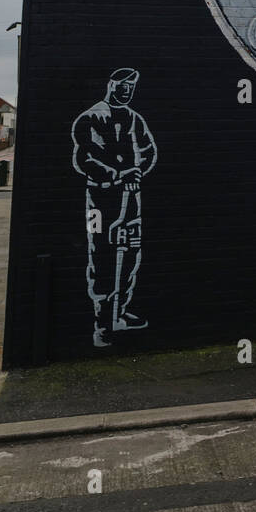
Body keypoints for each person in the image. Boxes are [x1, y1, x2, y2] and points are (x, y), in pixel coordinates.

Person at [72, 68, 157, 347]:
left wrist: (137, 172)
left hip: (131, 199)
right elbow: (84, 159)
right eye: (122, 86)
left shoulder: (134, 118)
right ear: (111, 85)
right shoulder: (91, 117)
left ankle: (120, 312)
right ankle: (102, 322)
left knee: (131, 252)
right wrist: (117, 175)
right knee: (103, 254)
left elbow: (148, 151)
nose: (127, 91)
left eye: (131, 87)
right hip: (102, 199)